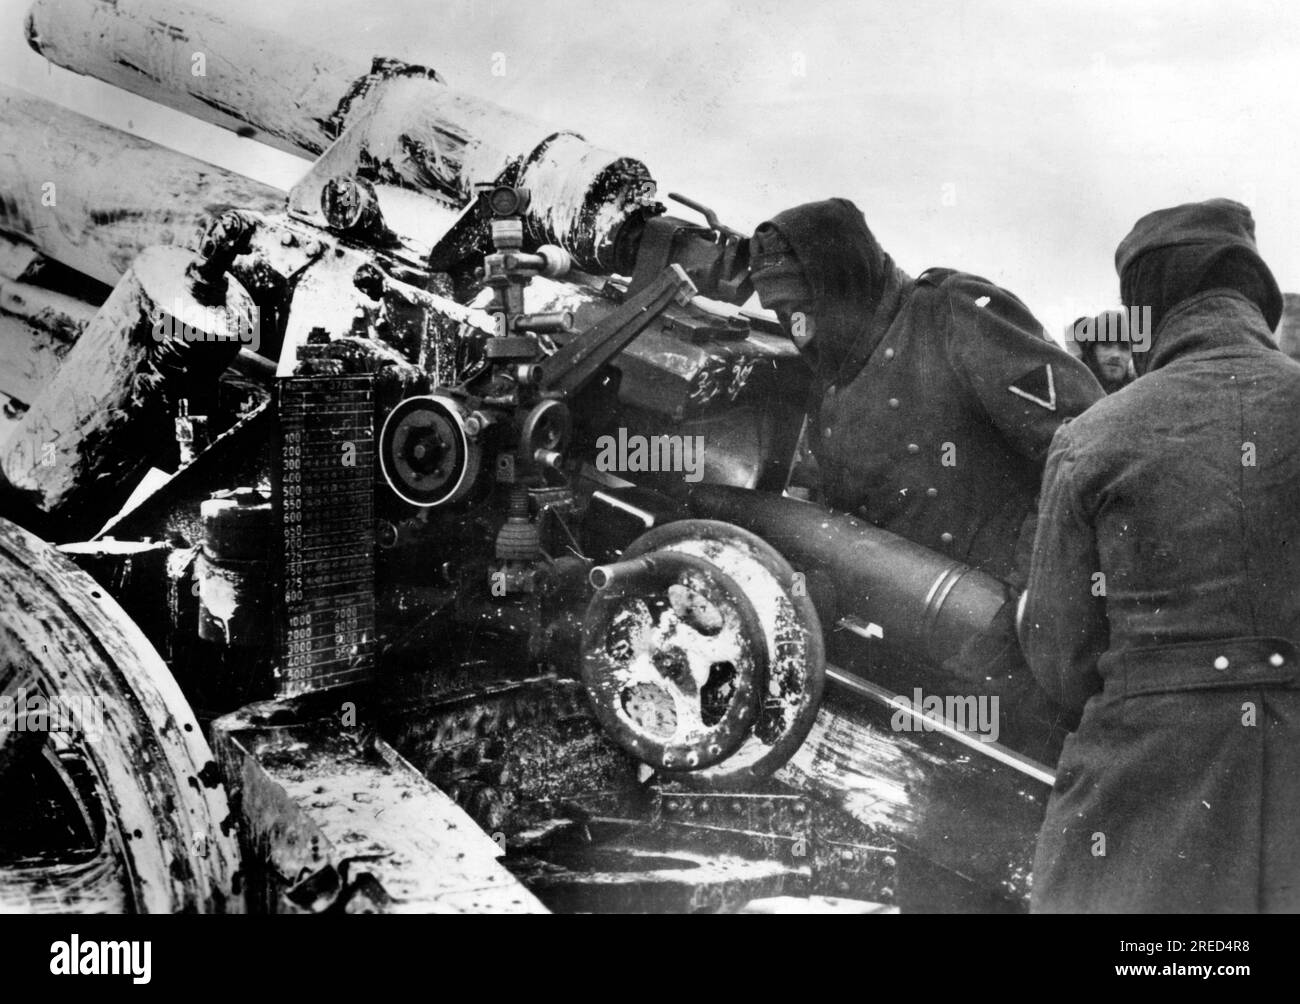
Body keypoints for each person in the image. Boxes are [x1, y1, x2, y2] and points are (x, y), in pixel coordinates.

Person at [1020, 197, 1300, 913]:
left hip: (1149, 789)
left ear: (1147, 307)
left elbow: (1062, 657)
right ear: (1257, 295)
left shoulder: (1093, 438)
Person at [748, 198, 1103, 752]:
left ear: (846, 277)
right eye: (780, 312)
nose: (797, 329)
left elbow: (1088, 447)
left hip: (1022, 650)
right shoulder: (834, 371)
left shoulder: (955, 317)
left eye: (805, 305)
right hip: (923, 653)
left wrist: (1029, 595)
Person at [1070, 310, 1134, 393]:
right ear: (1091, 351)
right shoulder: (1071, 392)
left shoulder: (1141, 396)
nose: (1116, 355)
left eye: (1124, 347)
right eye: (1106, 344)